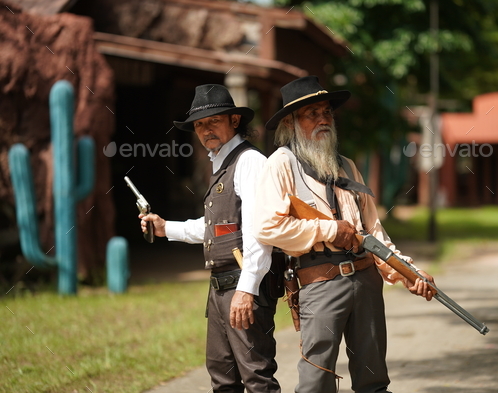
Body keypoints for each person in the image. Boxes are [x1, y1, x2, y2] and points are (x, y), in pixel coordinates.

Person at [252, 75, 436, 393]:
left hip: (366, 279)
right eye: (313, 113)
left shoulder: (347, 166)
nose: (324, 119)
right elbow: (267, 227)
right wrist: (329, 229)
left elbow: (374, 232)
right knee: (316, 381)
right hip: (319, 282)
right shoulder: (280, 164)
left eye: (327, 112)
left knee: (374, 379)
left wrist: (408, 272)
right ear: (291, 123)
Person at [139, 84, 280, 393]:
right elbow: (218, 227)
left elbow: (260, 231)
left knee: (257, 377)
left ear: (234, 120)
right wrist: (166, 228)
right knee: (222, 377)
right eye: (200, 125)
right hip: (220, 287)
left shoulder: (249, 162)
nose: (205, 130)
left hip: (243, 286)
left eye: (213, 121)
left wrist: (247, 290)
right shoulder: (221, 162)